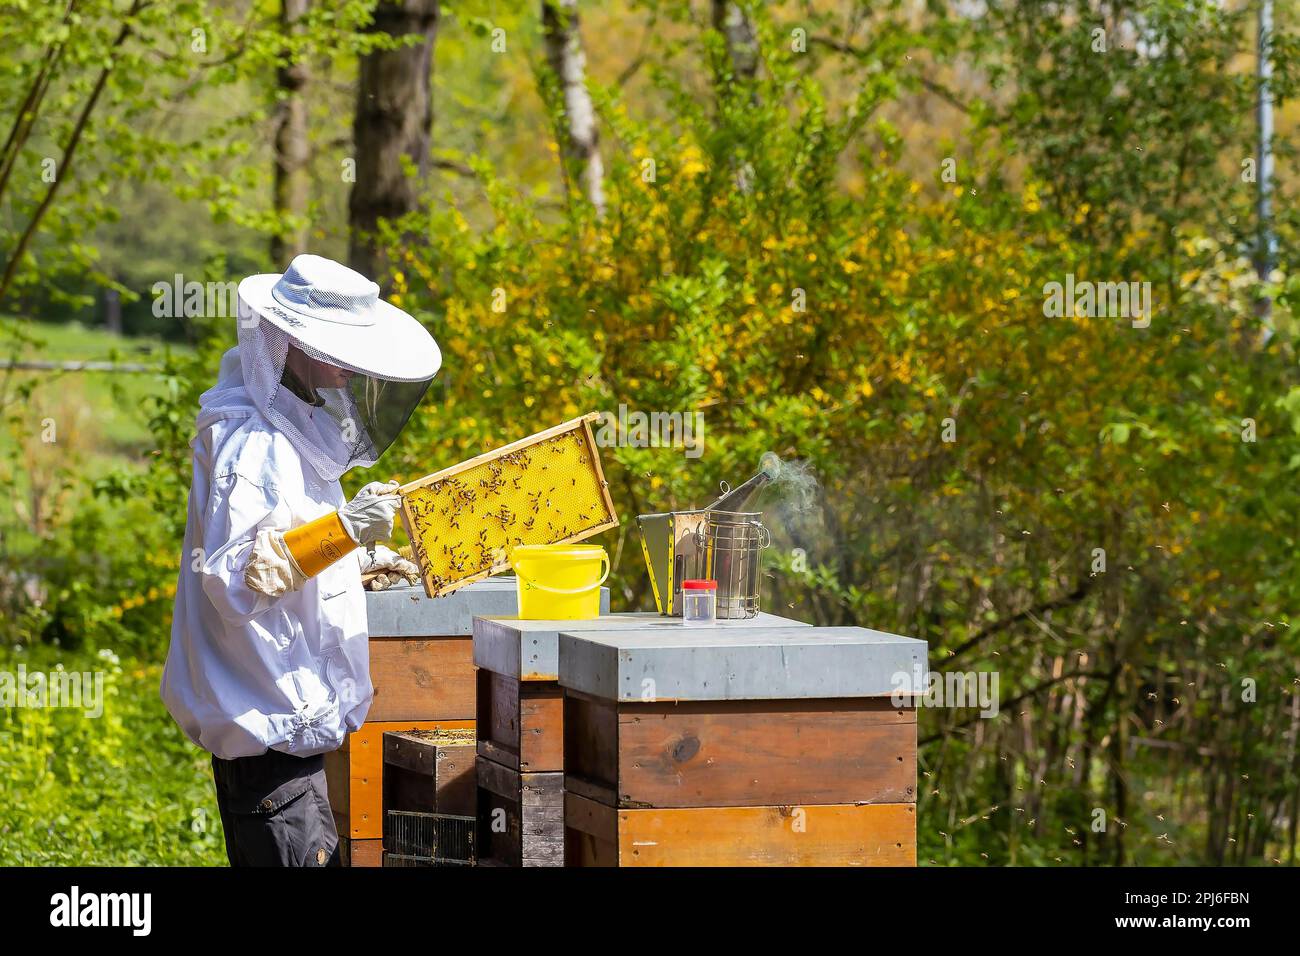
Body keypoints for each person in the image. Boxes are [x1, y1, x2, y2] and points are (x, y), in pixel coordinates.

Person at [161, 254, 440, 866]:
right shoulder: (255, 443)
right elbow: (236, 580)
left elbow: (288, 553)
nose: (349, 364)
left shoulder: (288, 428)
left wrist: (360, 560)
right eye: (332, 347)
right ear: (288, 342)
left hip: (281, 750)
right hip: (269, 748)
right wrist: (344, 529)